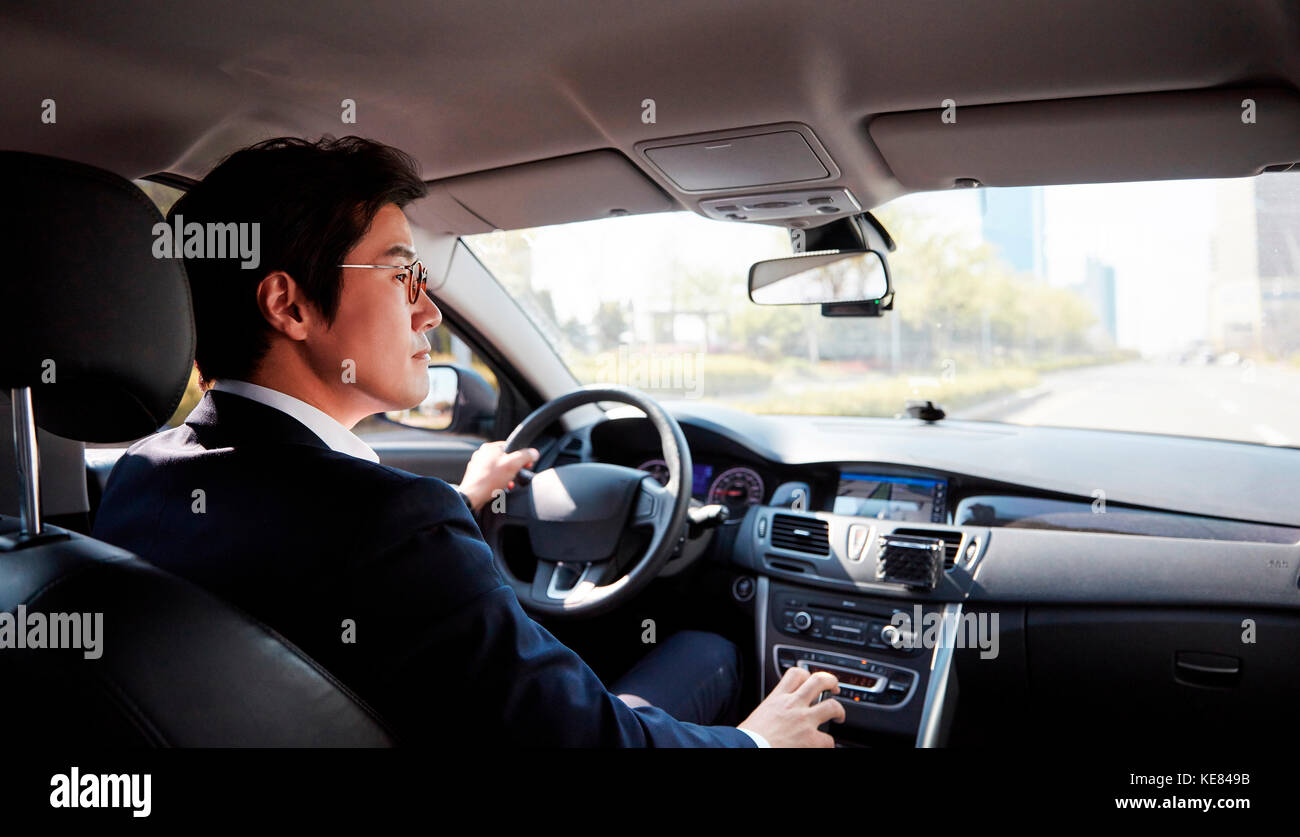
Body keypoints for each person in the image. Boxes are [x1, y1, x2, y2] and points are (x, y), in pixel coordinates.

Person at [92, 136, 845, 747]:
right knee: (709, 652)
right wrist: (759, 741)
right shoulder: (394, 528)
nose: (429, 314)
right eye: (399, 276)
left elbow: (302, 561)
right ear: (289, 303)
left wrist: (459, 500)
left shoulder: (142, 478)